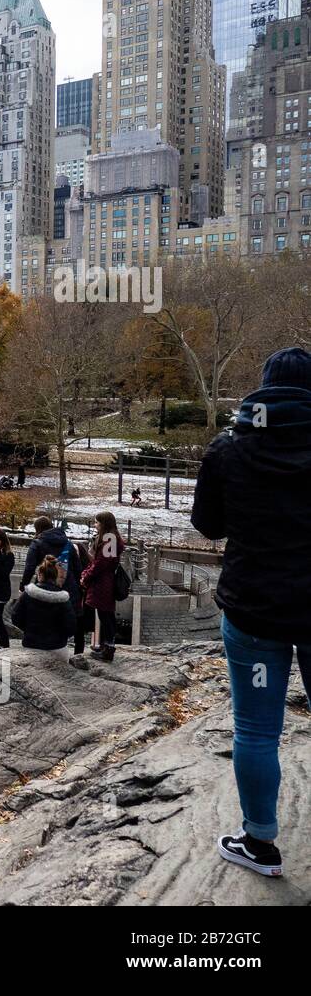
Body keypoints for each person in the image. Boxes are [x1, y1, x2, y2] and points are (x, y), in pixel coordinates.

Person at [192, 347, 311, 879]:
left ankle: (260, 843)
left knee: (257, 732)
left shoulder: (229, 450)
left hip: (255, 613)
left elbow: (209, 526)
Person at [20, 516, 86, 655]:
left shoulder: (37, 544)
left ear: (38, 529)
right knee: (75, 622)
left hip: (46, 588)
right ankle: (78, 655)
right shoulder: (68, 543)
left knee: (45, 619)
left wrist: (24, 585)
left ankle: (46, 650)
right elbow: (78, 568)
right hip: (69, 588)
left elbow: (29, 567)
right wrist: (79, 587)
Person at [81, 511, 126, 662]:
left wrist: (86, 576)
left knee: (106, 615)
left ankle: (108, 649)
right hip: (103, 581)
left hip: (103, 583)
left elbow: (102, 563)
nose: (95, 525)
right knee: (104, 614)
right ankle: (105, 646)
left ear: (104, 524)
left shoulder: (110, 539)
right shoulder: (109, 538)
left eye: (97, 522)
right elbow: (98, 561)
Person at [10, 555, 78, 652]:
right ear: (56, 576)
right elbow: (71, 627)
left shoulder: (27, 594)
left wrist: (29, 630)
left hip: (31, 645)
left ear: (39, 574)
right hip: (57, 647)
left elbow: (15, 617)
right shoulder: (63, 599)